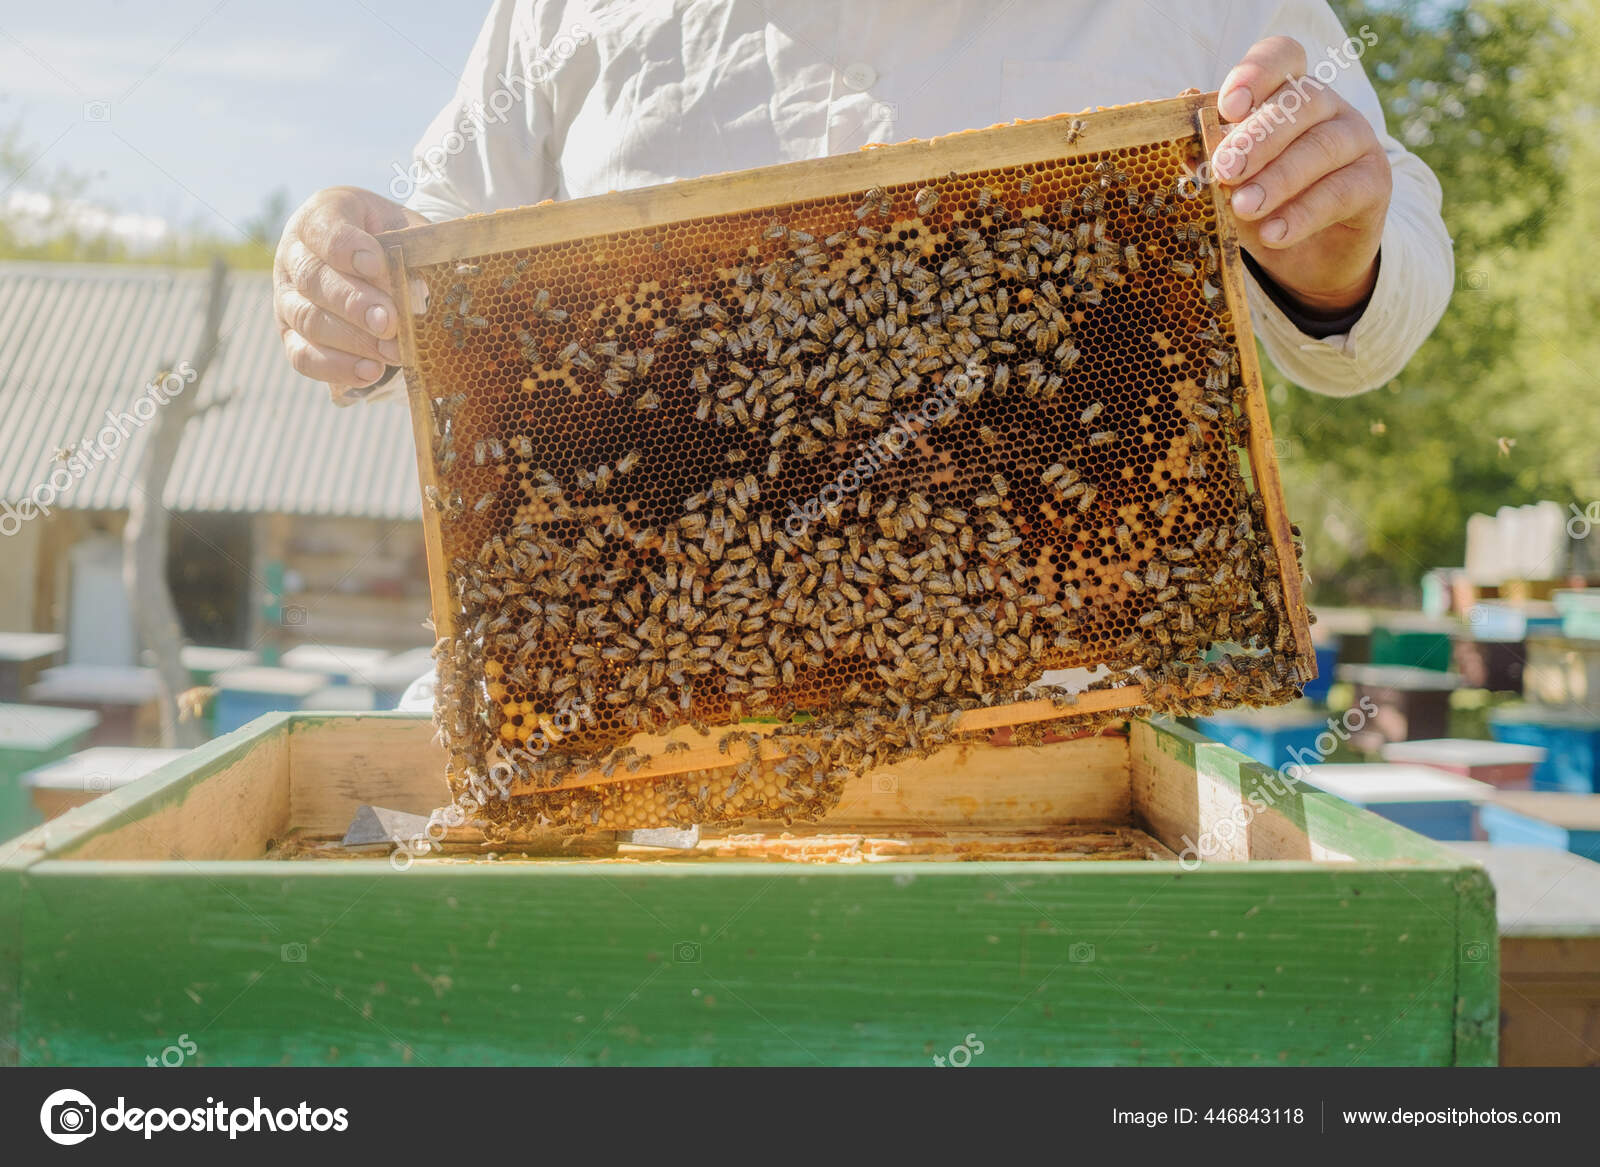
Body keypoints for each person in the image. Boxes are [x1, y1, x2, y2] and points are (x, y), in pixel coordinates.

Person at [273, 0, 1452, 406]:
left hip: (1057, 733)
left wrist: (1335, 255)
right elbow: (427, 254)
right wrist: (349, 278)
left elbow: (1389, 241)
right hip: (629, 748)